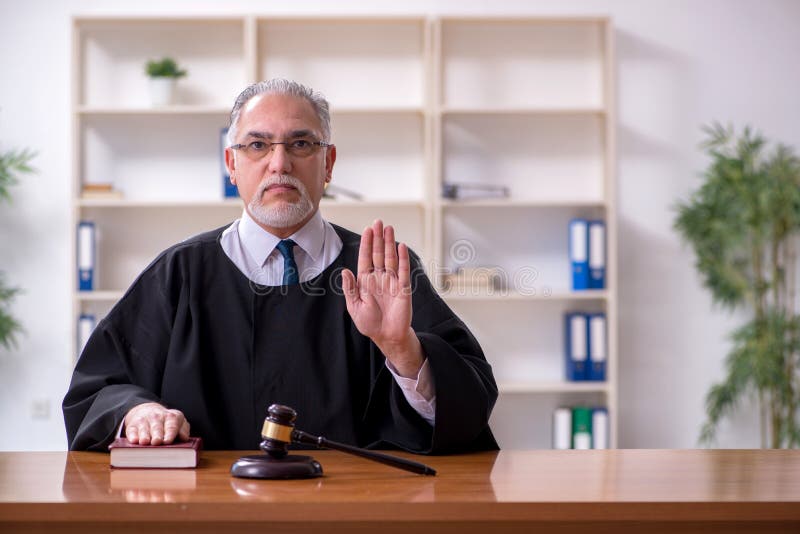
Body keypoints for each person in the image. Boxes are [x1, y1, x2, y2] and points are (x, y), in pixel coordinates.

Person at [63, 78, 498, 453]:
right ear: (232, 164)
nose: (279, 163)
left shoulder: (383, 272)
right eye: (257, 145)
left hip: (356, 511)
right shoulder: (179, 274)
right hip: (207, 513)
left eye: (301, 143)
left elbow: (470, 404)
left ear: (327, 163)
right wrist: (140, 411)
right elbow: (97, 390)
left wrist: (402, 350)